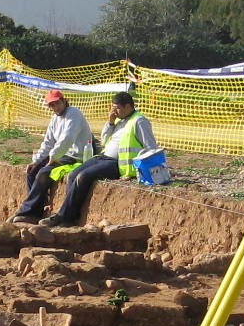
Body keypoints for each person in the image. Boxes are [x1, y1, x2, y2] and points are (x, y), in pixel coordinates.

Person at [40, 91, 159, 227]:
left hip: (118, 164)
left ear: (128, 107)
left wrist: (142, 170)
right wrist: (110, 123)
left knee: (83, 176)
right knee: (73, 174)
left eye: (117, 108)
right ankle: (69, 215)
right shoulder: (119, 120)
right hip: (103, 157)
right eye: (113, 108)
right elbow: (104, 140)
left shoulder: (139, 121)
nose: (114, 111)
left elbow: (151, 147)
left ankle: (64, 217)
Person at [10, 89, 94, 224]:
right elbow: (48, 142)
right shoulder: (55, 119)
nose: (55, 107)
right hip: (62, 154)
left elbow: (67, 138)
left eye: (57, 103)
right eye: (52, 105)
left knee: (44, 172)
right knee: (32, 171)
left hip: (75, 155)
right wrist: (36, 160)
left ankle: (27, 211)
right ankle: (36, 211)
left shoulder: (74, 114)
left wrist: (53, 157)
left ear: (64, 101)